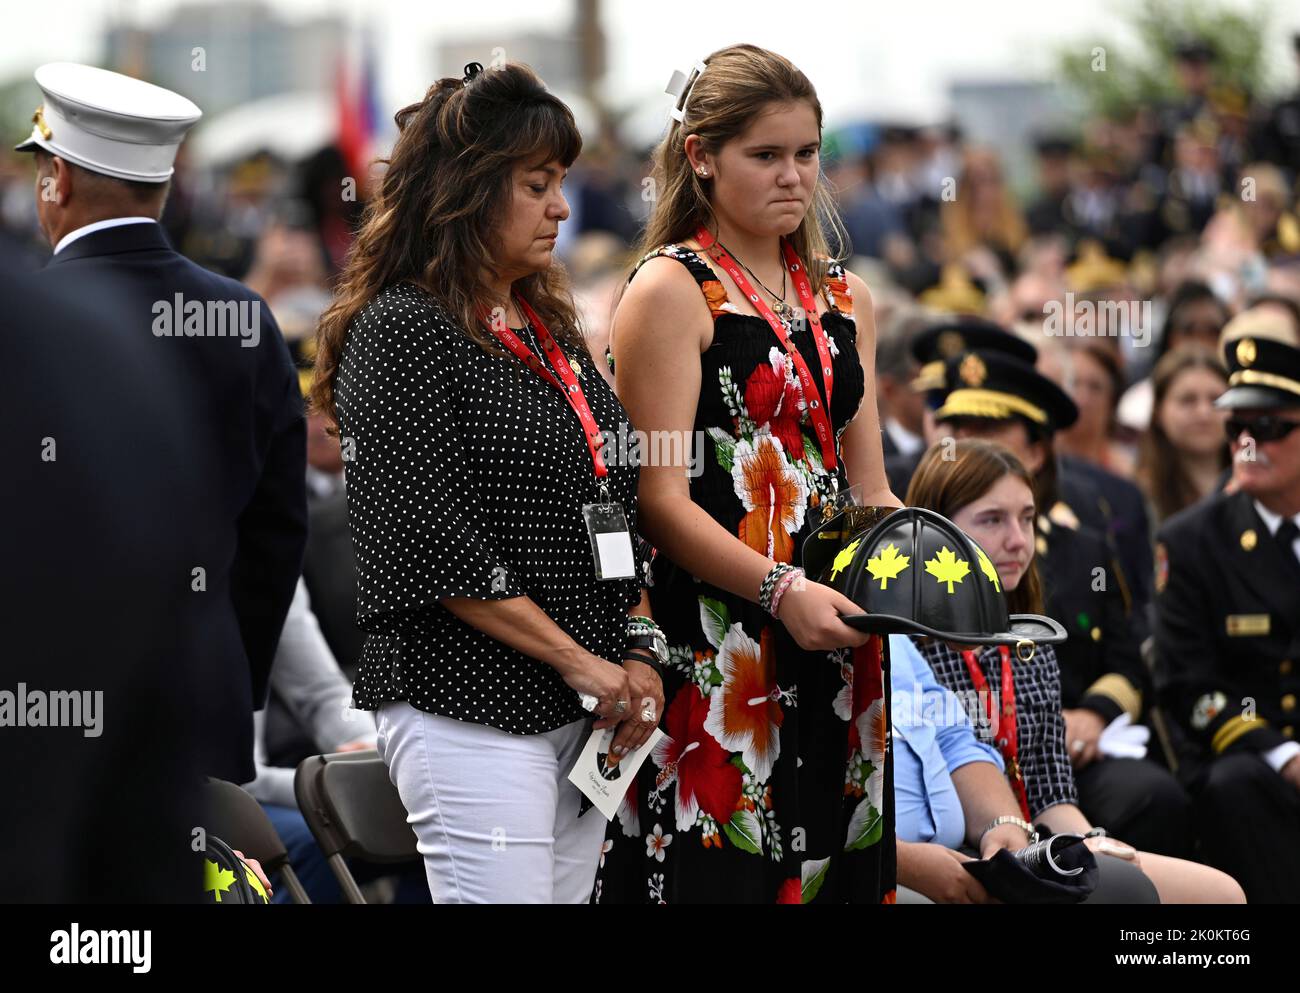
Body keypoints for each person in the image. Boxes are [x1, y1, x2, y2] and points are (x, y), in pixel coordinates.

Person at [310, 61, 663, 904]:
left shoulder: (545, 324)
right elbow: (431, 544)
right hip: (465, 699)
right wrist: (589, 664)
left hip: (587, 708)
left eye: (562, 183)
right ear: (468, 190)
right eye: (537, 184)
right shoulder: (401, 332)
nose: (562, 208)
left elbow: (618, 499)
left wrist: (639, 649)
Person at [593, 44, 902, 905]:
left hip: (838, 634)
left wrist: (933, 582)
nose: (794, 176)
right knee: (730, 877)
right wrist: (779, 589)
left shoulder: (848, 297)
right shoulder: (671, 288)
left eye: (807, 154)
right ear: (700, 157)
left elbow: (870, 487)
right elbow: (656, 501)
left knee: (839, 873)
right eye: (765, 155)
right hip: (725, 639)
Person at [17, 62, 308, 786]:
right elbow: (275, 536)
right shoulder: (244, 319)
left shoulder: (23, 321)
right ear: (166, 183)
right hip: (198, 698)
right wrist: (229, 681)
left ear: (57, 176)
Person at [906, 440, 1244, 902]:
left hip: (1039, 845)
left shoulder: (1030, 641)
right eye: (992, 520)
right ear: (937, 532)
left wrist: (1091, 841)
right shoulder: (904, 642)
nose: (1018, 540)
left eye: (1027, 517)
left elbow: (1050, 789)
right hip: (955, 853)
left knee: (1220, 893)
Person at [1154, 319, 1300, 903]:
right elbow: (1187, 687)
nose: (1246, 442)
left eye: (1268, 427)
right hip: (1246, 751)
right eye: (1237, 425)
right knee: (1239, 785)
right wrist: (1286, 756)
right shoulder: (1192, 541)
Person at [1136, 346, 1230, 524]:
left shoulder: (1261, 490)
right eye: (1187, 400)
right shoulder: (1137, 498)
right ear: (1158, 412)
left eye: (1217, 399)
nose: (1204, 413)